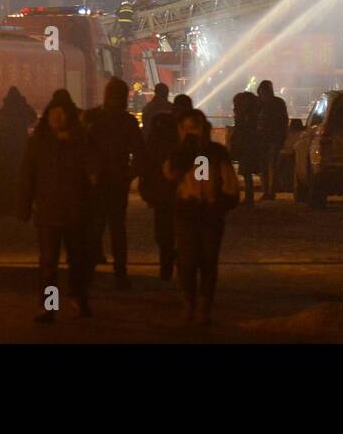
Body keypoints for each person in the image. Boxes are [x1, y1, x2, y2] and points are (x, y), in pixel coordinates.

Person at [18, 99, 95, 323]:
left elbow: (93, 169)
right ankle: (49, 306)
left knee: (78, 262)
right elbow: (27, 175)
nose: (58, 117)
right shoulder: (38, 142)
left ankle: (78, 301)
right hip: (49, 213)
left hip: (75, 212)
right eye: (54, 112)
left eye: (62, 113)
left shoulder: (81, 140)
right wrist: (24, 205)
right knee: (48, 264)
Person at [164, 108, 238, 325]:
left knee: (207, 262)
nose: (191, 134)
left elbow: (231, 187)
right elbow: (168, 174)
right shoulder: (179, 154)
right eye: (186, 130)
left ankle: (204, 306)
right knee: (186, 261)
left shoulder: (217, 153)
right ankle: (188, 303)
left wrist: (218, 205)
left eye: (194, 129)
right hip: (186, 213)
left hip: (209, 215)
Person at [81, 77, 144, 290]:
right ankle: (120, 274)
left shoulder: (92, 117)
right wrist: (129, 175)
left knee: (94, 227)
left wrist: (88, 173)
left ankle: (87, 274)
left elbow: (81, 148)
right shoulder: (128, 121)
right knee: (118, 229)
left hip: (96, 181)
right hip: (118, 180)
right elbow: (140, 153)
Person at [139, 88, 182, 281]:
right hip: (181, 197)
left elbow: (146, 169)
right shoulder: (192, 149)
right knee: (180, 233)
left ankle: (166, 267)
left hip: (161, 197)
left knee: (162, 234)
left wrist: (146, 189)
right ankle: (182, 266)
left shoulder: (153, 147)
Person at [0, 86, 35, 214]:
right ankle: (19, 204)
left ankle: (5, 205)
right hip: (21, 145)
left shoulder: (5, 109)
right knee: (20, 176)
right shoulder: (23, 107)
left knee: (6, 177)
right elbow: (33, 117)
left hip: (6, 147)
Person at [256, 80, 289, 200]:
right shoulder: (277, 103)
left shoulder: (266, 104)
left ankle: (269, 191)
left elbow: (282, 121)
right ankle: (269, 190)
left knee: (269, 165)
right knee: (268, 165)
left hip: (271, 139)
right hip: (268, 139)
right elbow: (284, 121)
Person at [228, 91, 262, 206]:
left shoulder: (245, 117)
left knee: (246, 172)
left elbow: (240, 130)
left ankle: (248, 198)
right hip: (249, 145)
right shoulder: (252, 116)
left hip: (245, 146)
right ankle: (249, 197)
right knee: (247, 172)